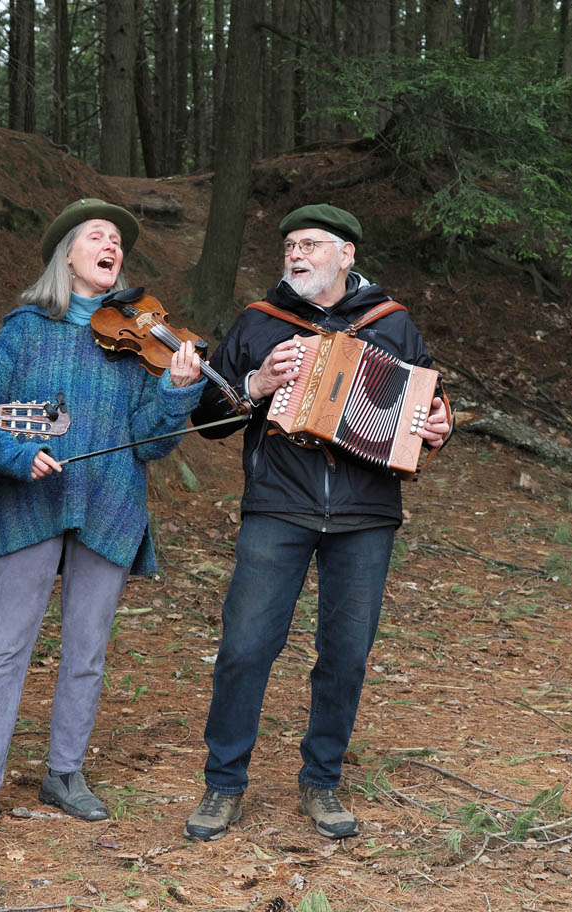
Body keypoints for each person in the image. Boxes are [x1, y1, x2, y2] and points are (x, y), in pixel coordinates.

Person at [181, 204, 451, 841]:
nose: (296, 255)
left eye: (310, 245)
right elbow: (209, 418)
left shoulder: (392, 323)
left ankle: (322, 780)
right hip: (279, 503)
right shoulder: (259, 321)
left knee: (346, 655)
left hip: (366, 513)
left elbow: (429, 409)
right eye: (289, 247)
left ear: (347, 254)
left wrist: (441, 428)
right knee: (246, 647)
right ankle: (223, 784)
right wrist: (254, 382)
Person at [0, 198, 206, 841]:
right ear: (69, 253)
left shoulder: (142, 338)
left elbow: (147, 444)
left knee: (86, 653)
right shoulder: (26, 328)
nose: (112, 245)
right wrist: (15, 453)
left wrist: (176, 393)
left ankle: (65, 773)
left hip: (111, 506)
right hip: (29, 507)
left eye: (118, 240)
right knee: (5, 650)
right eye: (99, 235)